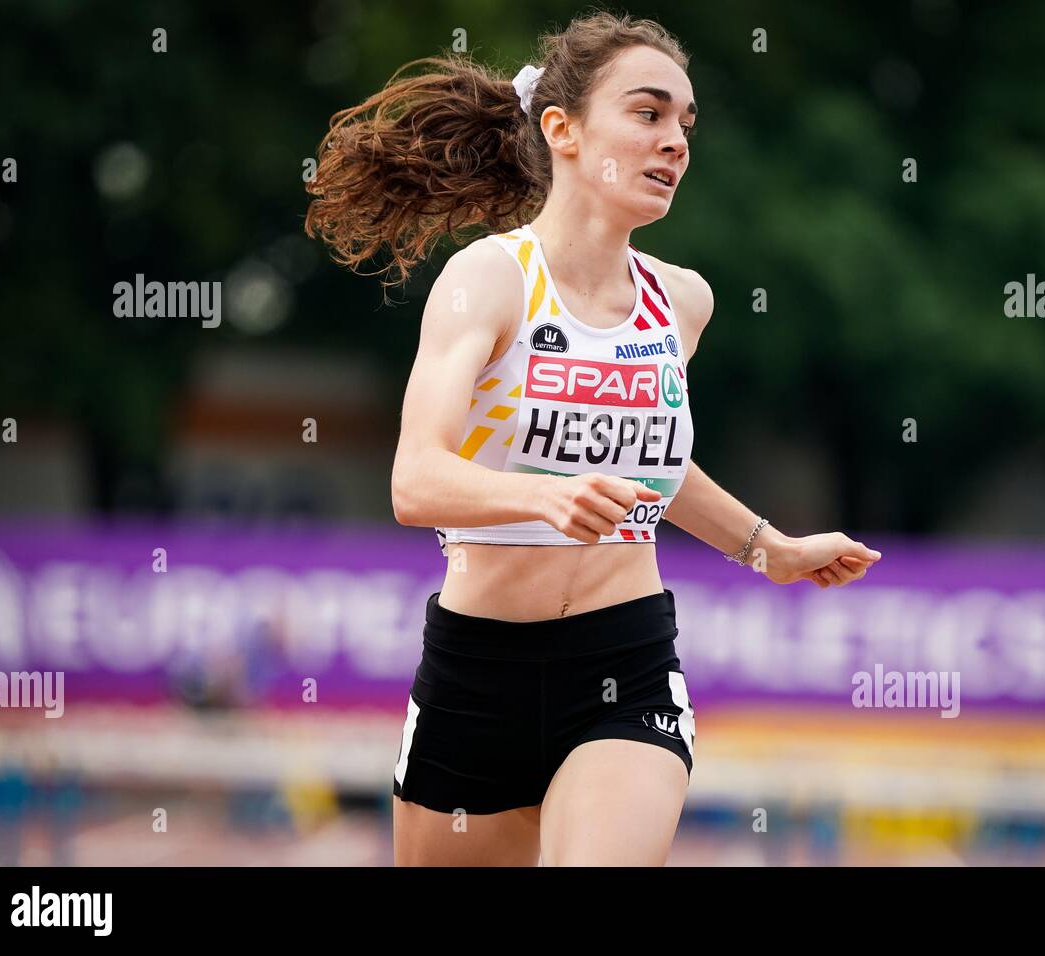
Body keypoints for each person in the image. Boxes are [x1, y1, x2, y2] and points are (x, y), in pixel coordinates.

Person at [305, 11, 880, 866]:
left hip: (626, 659)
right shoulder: (489, 280)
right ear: (563, 130)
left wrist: (770, 549)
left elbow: (654, 465)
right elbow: (415, 481)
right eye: (648, 114)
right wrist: (547, 492)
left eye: (686, 123)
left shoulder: (682, 301)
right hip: (478, 670)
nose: (676, 141)